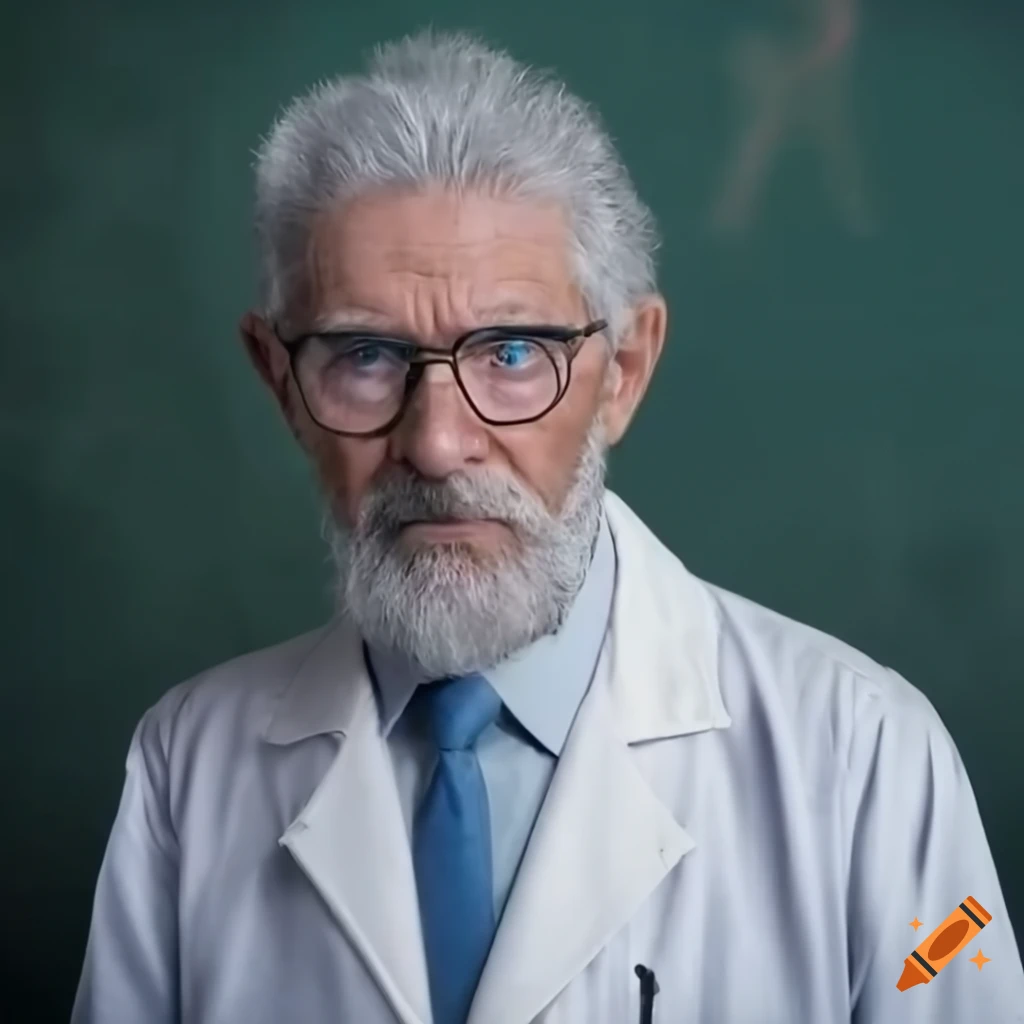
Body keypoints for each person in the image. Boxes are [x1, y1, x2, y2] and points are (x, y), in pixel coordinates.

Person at [72, 30, 1023, 1024]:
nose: (438, 442)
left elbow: (942, 968)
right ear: (281, 383)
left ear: (622, 372)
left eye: (514, 353)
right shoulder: (189, 766)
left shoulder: (869, 754)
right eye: (363, 355)